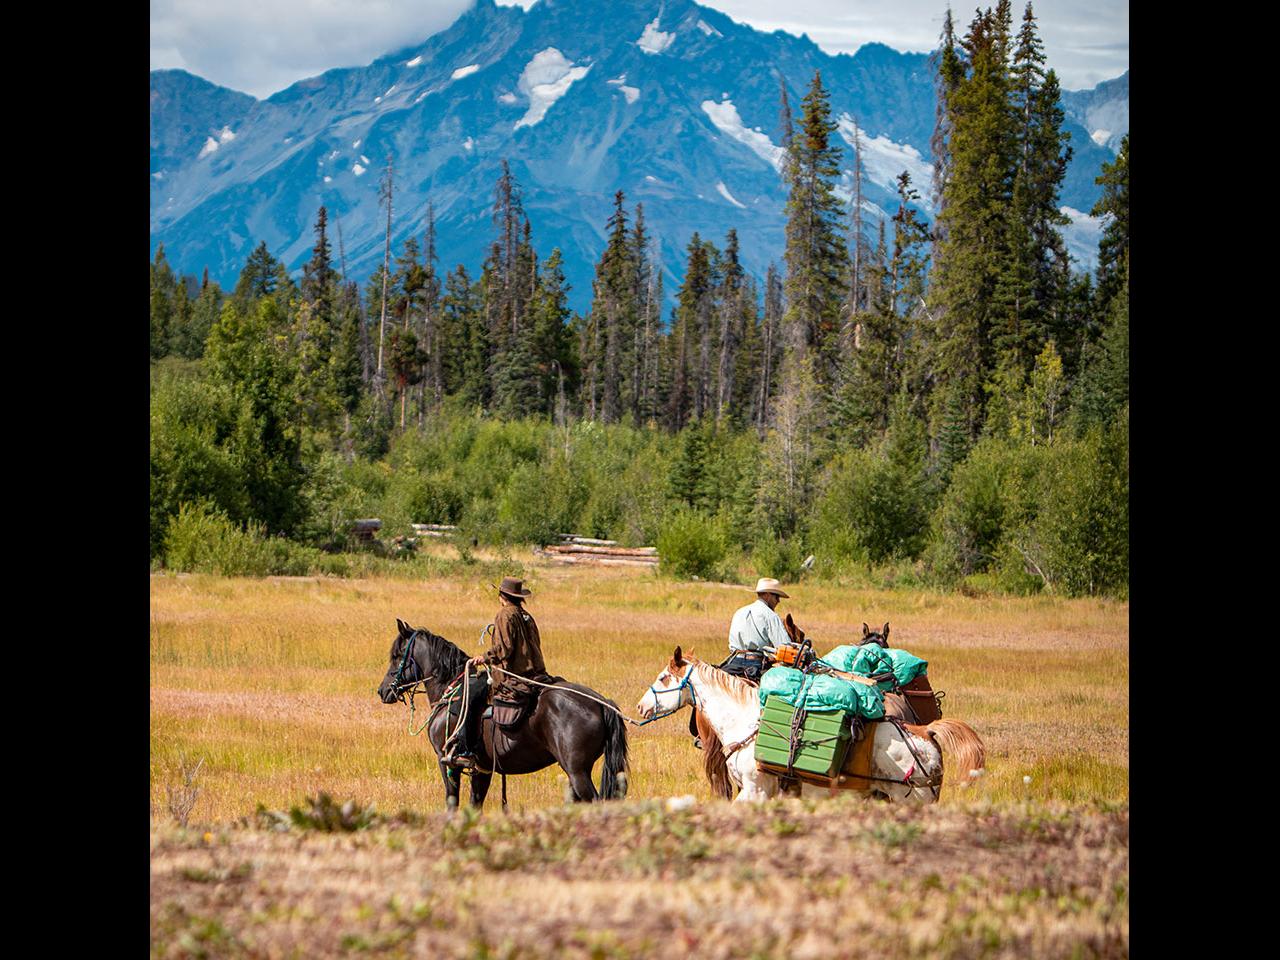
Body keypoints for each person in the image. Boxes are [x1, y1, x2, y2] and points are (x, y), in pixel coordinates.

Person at [443, 576, 547, 769]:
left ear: (502, 596)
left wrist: (484, 657)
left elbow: (504, 649)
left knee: (471, 695)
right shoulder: (526, 616)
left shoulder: (504, 615)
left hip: (513, 677)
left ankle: (466, 751)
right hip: (536, 675)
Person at [689, 577, 792, 747]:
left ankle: (701, 735)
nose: (778, 601)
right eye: (776, 596)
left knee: (706, 689)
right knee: (776, 695)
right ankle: (774, 736)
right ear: (766, 595)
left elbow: (732, 645)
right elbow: (785, 647)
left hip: (733, 662)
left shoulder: (739, 612)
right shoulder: (770, 616)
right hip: (756, 665)